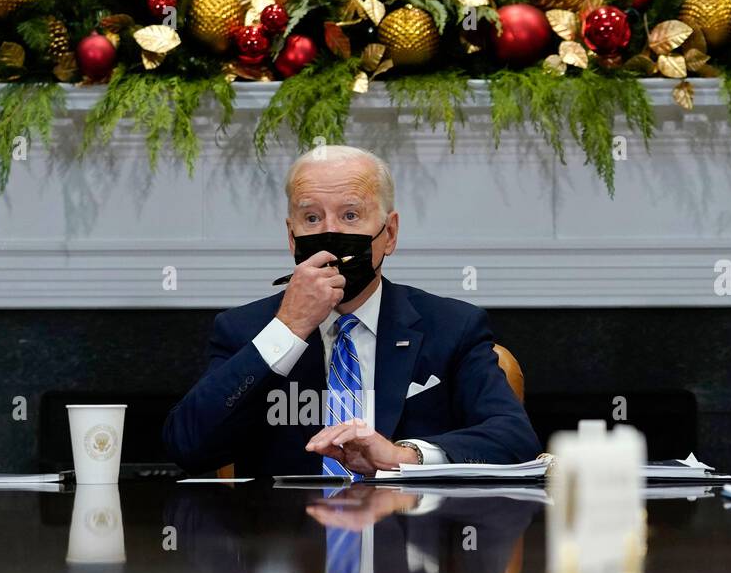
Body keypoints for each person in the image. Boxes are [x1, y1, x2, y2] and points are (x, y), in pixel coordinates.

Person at [163, 144, 539, 477]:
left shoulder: (452, 327)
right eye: (312, 218)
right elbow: (188, 447)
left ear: (389, 234)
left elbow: (514, 440)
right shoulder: (246, 329)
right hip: (286, 539)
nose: (330, 232)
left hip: (407, 536)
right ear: (292, 237)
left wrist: (403, 456)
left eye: (350, 215)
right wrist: (288, 329)